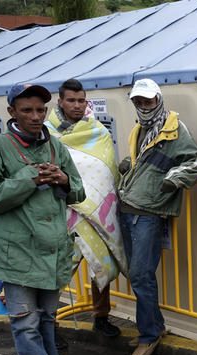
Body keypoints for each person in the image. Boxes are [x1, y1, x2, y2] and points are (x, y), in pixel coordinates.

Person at [0, 83, 85, 355]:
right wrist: (30, 178)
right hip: (16, 251)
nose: (36, 116)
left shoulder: (55, 147)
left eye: (40, 110)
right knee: (25, 318)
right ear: (12, 112)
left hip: (51, 249)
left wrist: (63, 180)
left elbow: (79, 190)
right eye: (27, 110)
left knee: (48, 316)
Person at [117, 78, 197, 355]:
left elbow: (195, 160)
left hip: (149, 212)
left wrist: (174, 180)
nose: (143, 106)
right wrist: (127, 168)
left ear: (159, 99)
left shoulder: (174, 129)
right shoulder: (139, 129)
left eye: (147, 101)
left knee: (141, 274)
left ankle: (149, 335)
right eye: (138, 102)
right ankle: (154, 327)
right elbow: (142, 163)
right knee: (136, 273)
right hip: (129, 206)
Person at [46, 78, 126, 338]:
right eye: (71, 100)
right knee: (59, 267)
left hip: (95, 210)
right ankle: (48, 321)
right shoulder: (47, 132)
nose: (77, 106)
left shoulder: (98, 131)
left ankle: (101, 316)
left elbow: (105, 171)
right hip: (62, 210)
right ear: (60, 101)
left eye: (82, 101)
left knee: (100, 264)